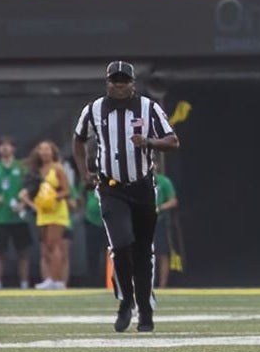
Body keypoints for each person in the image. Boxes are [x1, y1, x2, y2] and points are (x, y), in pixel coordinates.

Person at [72, 61, 180, 333]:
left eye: (124, 81)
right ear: (107, 83)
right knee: (121, 245)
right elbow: (78, 139)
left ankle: (144, 307)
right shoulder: (94, 109)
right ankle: (125, 300)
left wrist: (149, 142)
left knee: (143, 251)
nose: (119, 86)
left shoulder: (149, 108)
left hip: (142, 187)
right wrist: (85, 172)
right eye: (114, 81)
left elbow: (173, 140)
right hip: (111, 187)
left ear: (133, 83)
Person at [19, 140, 70, 289]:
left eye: (47, 149)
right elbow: (30, 190)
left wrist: (53, 197)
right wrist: (35, 202)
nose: (44, 152)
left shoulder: (58, 168)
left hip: (56, 210)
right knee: (46, 245)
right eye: (41, 149)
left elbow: (66, 190)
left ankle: (57, 280)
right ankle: (49, 278)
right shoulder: (37, 170)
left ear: (53, 152)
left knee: (55, 244)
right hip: (42, 211)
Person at [0, 137, 33, 289]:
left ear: (14, 148)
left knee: (23, 253)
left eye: (8, 145)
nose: (5, 148)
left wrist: (23, 203)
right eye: (2, 146)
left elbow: (33, 188)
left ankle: (25, 284)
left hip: (19, 218)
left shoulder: (22, 168)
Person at [153, 168, 176, 289]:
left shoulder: (164, 182)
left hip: (159, 222)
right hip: (142, 223)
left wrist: (160, 208)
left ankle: (162, 286)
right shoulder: (139, 182)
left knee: (162, 253)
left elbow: (173, 201)